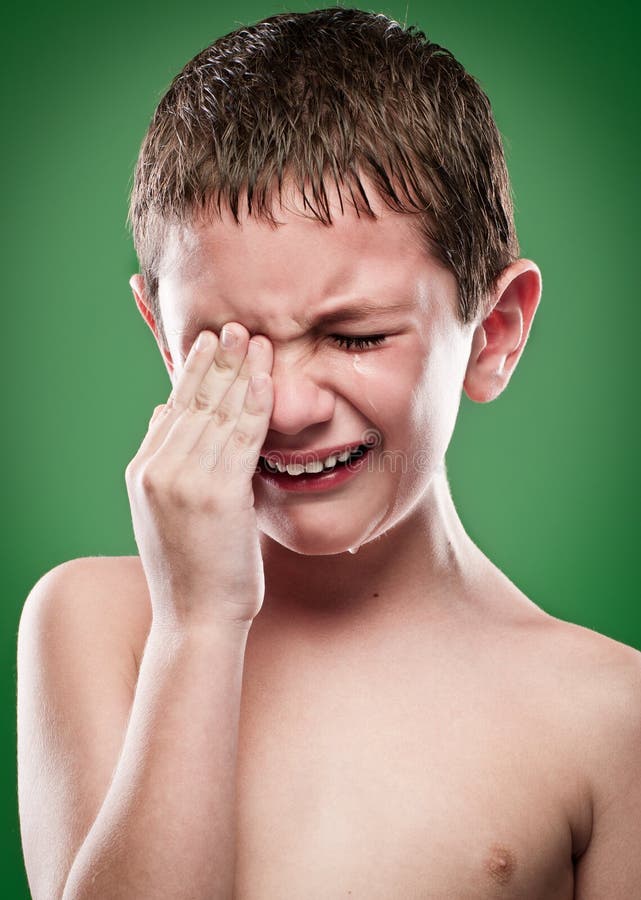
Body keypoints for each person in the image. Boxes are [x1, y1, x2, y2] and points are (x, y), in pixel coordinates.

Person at [17, 7, 641, 898]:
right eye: (226, 341)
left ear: (494, 332)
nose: (290, 407)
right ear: (162, 336)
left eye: (354, 337)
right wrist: (198, 625)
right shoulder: (97, 625)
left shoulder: (609, 715)